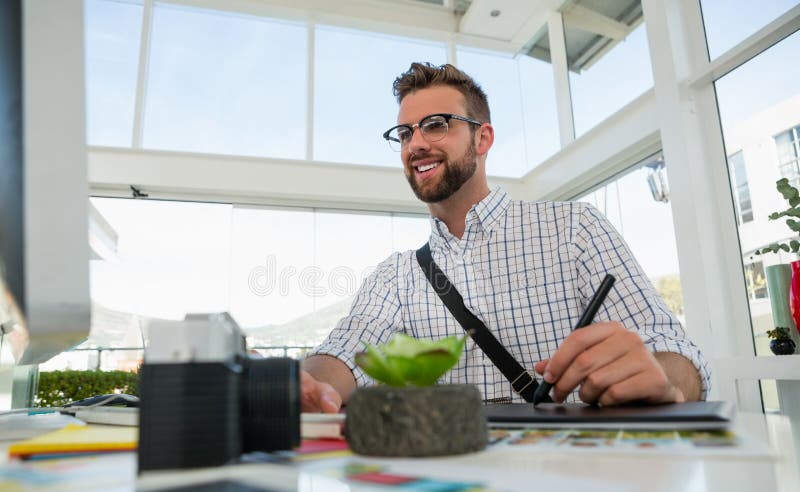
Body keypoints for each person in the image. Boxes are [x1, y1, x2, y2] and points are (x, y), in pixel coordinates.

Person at [301, 62, 709, 413]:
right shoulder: (395, 276)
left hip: (576, 488)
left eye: (436, 125)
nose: (417, 144)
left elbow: (680, 356)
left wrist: (666, 381)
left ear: (482, 138)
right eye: (405, 133)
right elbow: (342, 355)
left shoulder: (573, 229)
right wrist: (310, 388)